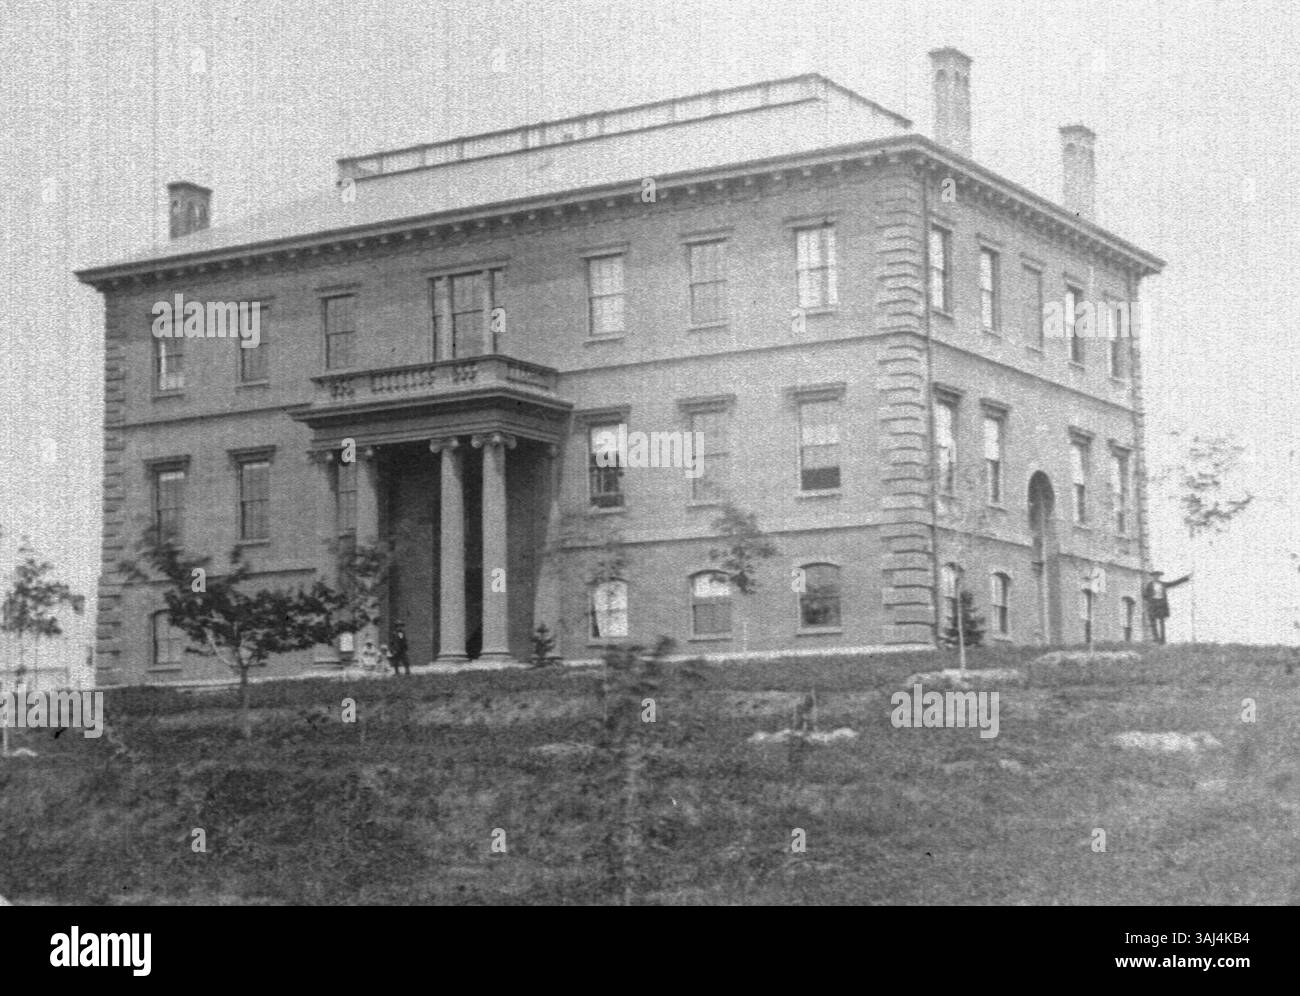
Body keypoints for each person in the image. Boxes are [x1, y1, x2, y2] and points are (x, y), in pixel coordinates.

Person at [1143, 570, 1192, 644]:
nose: (1156, 577)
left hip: (1161, 604)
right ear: (1152, 577)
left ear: (1159, 577)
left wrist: (1185, 578)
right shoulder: (1149, 585)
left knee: (1162, 622)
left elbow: (1173, 583)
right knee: (1153, 622)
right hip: (1153, 604)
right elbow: (1144, 595)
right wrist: (1150, 601)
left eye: (1157, 576)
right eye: (1155, 576)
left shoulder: (1162, 584)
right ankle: (1156, 639)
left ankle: (1162, 640)